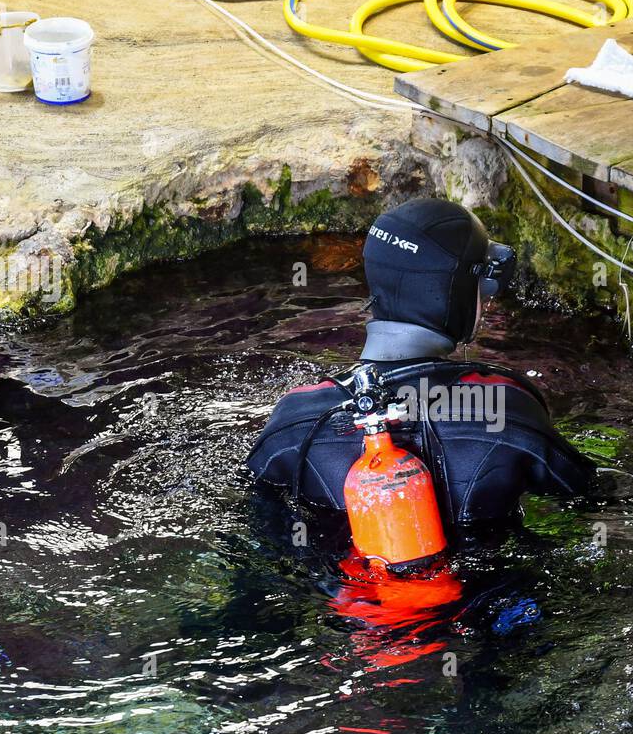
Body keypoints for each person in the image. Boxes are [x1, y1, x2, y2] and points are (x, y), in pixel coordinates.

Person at [246, 197, 596, 530]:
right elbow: (586, 493)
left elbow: (257, 519)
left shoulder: (295, 418)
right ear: (456, 291)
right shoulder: (504, 409)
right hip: (488, 589)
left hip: (341, 591)